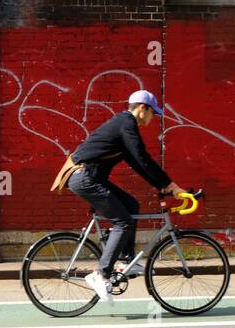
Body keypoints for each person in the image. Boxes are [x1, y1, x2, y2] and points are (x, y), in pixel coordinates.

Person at [63, 90, 185, 304]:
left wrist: (162, 185)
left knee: (131, 204)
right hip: (84, 177)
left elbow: (137, 163)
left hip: (88, 177)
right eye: (152, 113)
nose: (152, 118)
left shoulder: (123, 126)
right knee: (124, 222)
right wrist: (169, 184)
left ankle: (123, 260)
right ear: (142, 108)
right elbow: (143, 158)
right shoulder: (127, 124)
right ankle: (100, 274)